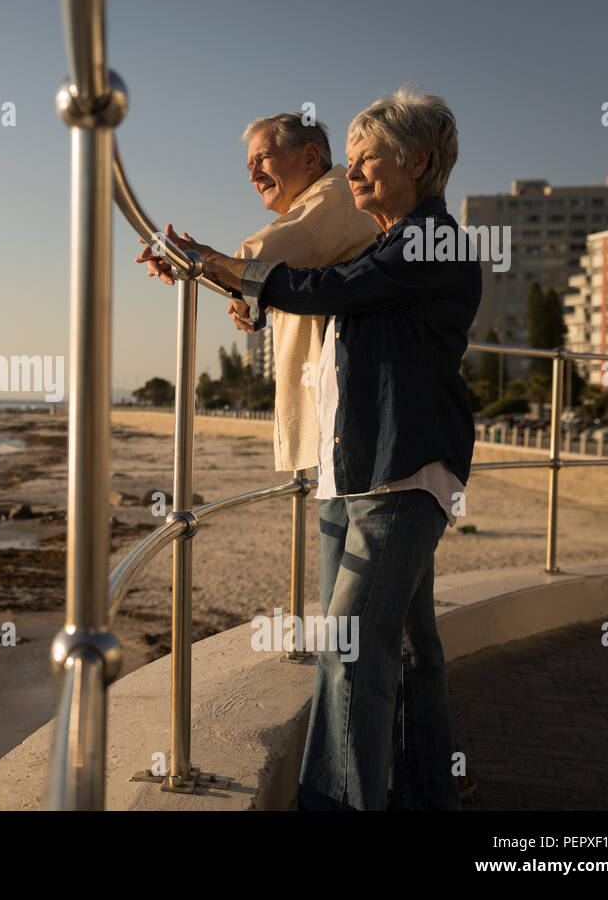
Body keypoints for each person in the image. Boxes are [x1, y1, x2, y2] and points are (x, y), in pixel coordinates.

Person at [138, 85, 479, 810]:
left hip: (400, 473)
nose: (352, 177)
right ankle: (430, 796)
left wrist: (212, 262)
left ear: (418, 162)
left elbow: (327, 285)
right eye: (349, 163)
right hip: (361, 473)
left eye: (366, 163)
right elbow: (320, 288)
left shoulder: (431, 241)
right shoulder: (393, 242)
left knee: (349, 655)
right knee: (410, 652)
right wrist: (233, 279)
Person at [150, 113, 379, 472]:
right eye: (249, 166)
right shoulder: (319, 208)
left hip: (347, 427)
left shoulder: (336, 195)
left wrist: (196, 258)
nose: (253, 175)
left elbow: (263, 257)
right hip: (335, 428)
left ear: (308, 157)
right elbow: (278, 273)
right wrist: (243, 289)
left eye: (262, 160)